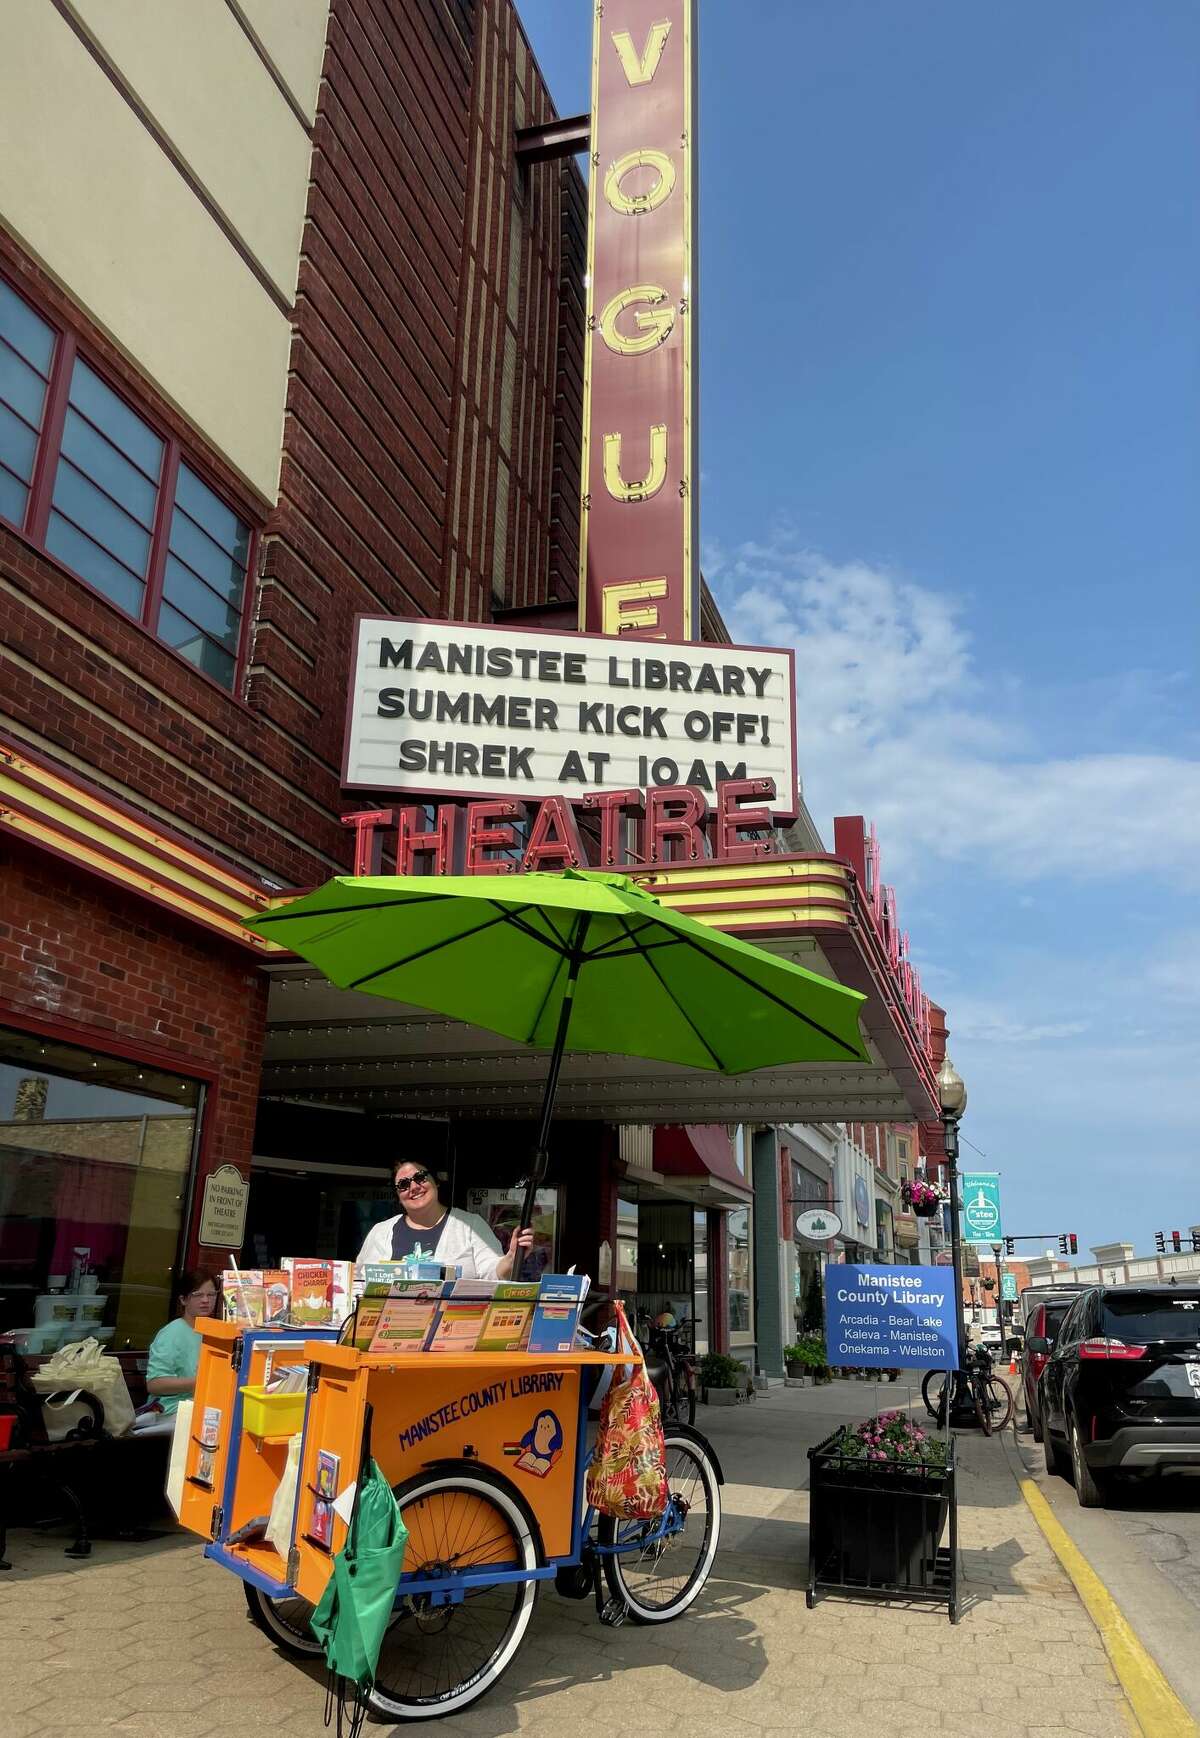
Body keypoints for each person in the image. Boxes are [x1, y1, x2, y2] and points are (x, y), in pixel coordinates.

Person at [356, 1161, 534, 1279]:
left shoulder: (470, 1225)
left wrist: (512, 1257)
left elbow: (492, 1274)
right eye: (403, 1184)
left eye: (420, 1177)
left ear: (437, 1182)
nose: (413, 1187)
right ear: (397, 1195)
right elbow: (359, 1280)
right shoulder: (380, 1232)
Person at [146, 1267, 219, 1417]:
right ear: (183, 1299)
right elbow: (155, 1384)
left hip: (209, 1406)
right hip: (174, 1411)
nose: (205, 1300)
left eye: (211, 1295)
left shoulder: (217, 1331)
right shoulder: (172, 1333)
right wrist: (202, 1382)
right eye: (198, 1295)